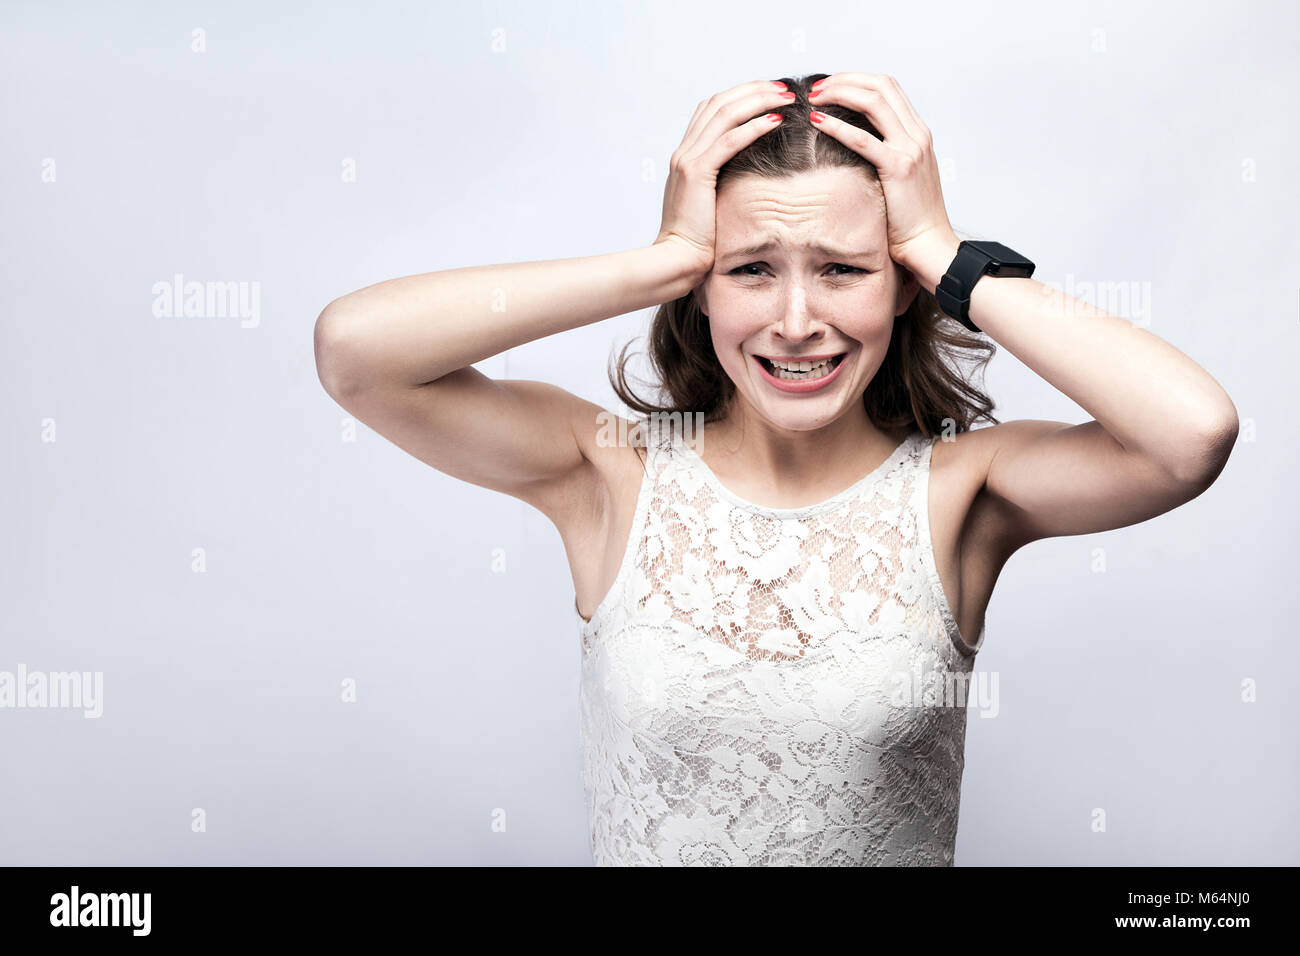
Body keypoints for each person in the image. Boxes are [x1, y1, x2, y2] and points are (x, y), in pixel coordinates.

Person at [312, 72, 1239, 866]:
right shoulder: (607, 472)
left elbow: (1191, 433)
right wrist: (664, 259)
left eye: (842, 270)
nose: (797, 320)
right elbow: (356, 351)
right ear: (702, 288)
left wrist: (945, 253)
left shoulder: (968, 488)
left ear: (902, 285)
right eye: (752, 268)